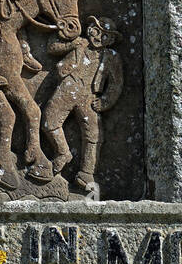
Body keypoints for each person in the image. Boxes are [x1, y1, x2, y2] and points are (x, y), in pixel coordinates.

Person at [42, 16, 124, 190]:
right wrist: (69, 41)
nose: (97, 37)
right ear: (89, 28)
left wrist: (105, 102)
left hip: (89, 95)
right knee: (50, 121)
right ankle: (63, 152)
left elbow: (116, 84)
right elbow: (52, 48)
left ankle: (86, 174)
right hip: (68, 85)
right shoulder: (80, 43)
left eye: (105, 36)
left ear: (111, 40)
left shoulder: (111, 57)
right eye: (95, 31)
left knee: (93, 134)